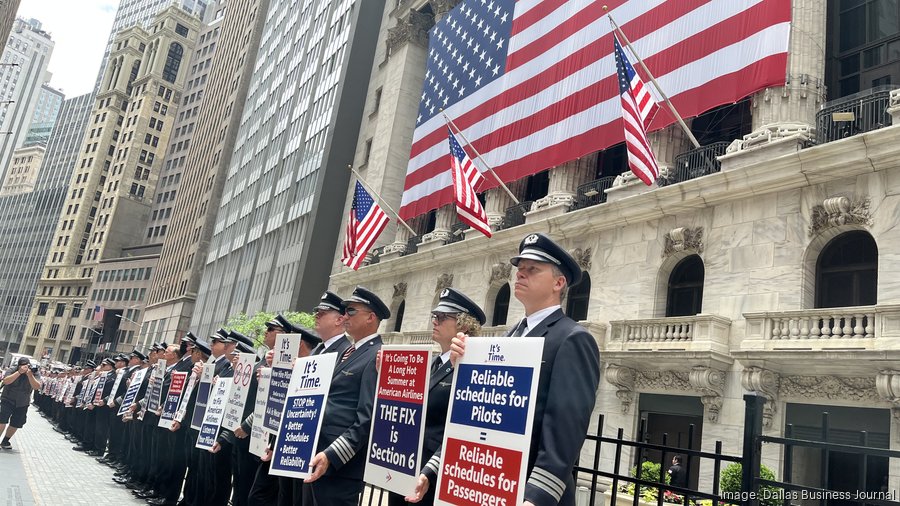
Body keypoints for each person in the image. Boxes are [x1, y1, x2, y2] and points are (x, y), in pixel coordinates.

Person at [446, 232, 601, 506]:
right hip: (493, 484)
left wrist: (536, 497)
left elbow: (565, 432)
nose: (520, 273)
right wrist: (464, 363)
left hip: (530, 493)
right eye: (520, 268)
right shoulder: (510, 336)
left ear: (558, 283)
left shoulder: (573, 338)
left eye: (533, 269)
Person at [387, 288, 485, 506]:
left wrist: (431, 470)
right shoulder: (431, 364)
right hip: (404, 466)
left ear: (464, 325)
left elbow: (463, 427)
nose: (434, 321)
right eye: (434, 316)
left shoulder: (471, 367)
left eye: (441, 317)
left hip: (434, 475)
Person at [304, 286, 388, 505]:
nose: (345, 316)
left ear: (370, 317)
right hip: (317, 454)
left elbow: (367, 417)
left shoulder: (377, 355)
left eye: (351, 311)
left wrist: (332, 455)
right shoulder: (347, 352)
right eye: (344, 311)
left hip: (340, 465)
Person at [0, 356, 42, 450]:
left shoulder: (34, 372)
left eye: (26, 365)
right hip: (8, 399)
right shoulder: (12, 369)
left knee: (16, 423)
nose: (24, 367)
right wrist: (19, 372)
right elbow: (6, 381)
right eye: (22, 365)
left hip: (23, 402)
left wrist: (30, 375)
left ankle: (5, 441)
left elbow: (36, 387)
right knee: (2, 420)